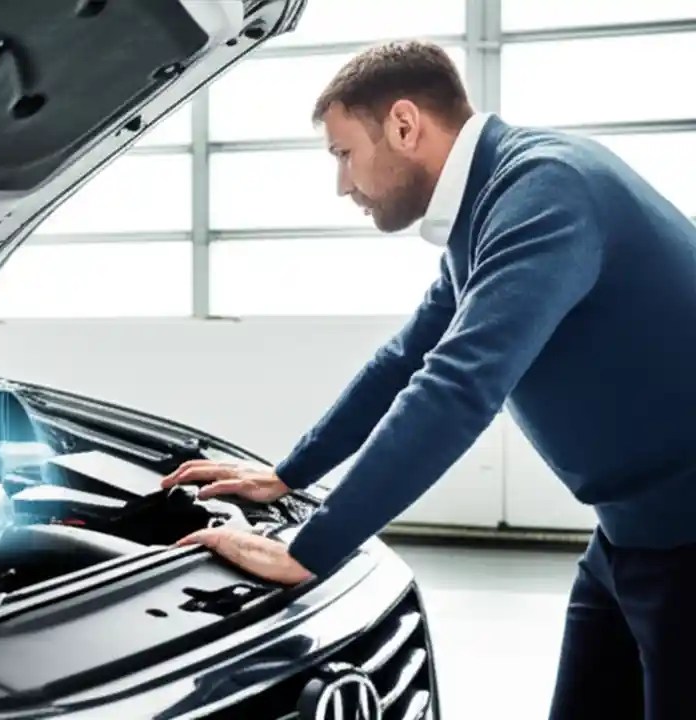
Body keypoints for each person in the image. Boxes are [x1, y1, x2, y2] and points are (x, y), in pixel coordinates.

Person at [160, 39, 696, 719]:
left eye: (344, 154)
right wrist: (286, 475)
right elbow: (408, 356)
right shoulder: (495, 203)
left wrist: (309, 549)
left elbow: (457, 387)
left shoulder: (546, 191)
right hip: (633, 536)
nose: (343, 184)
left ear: (405, 125)